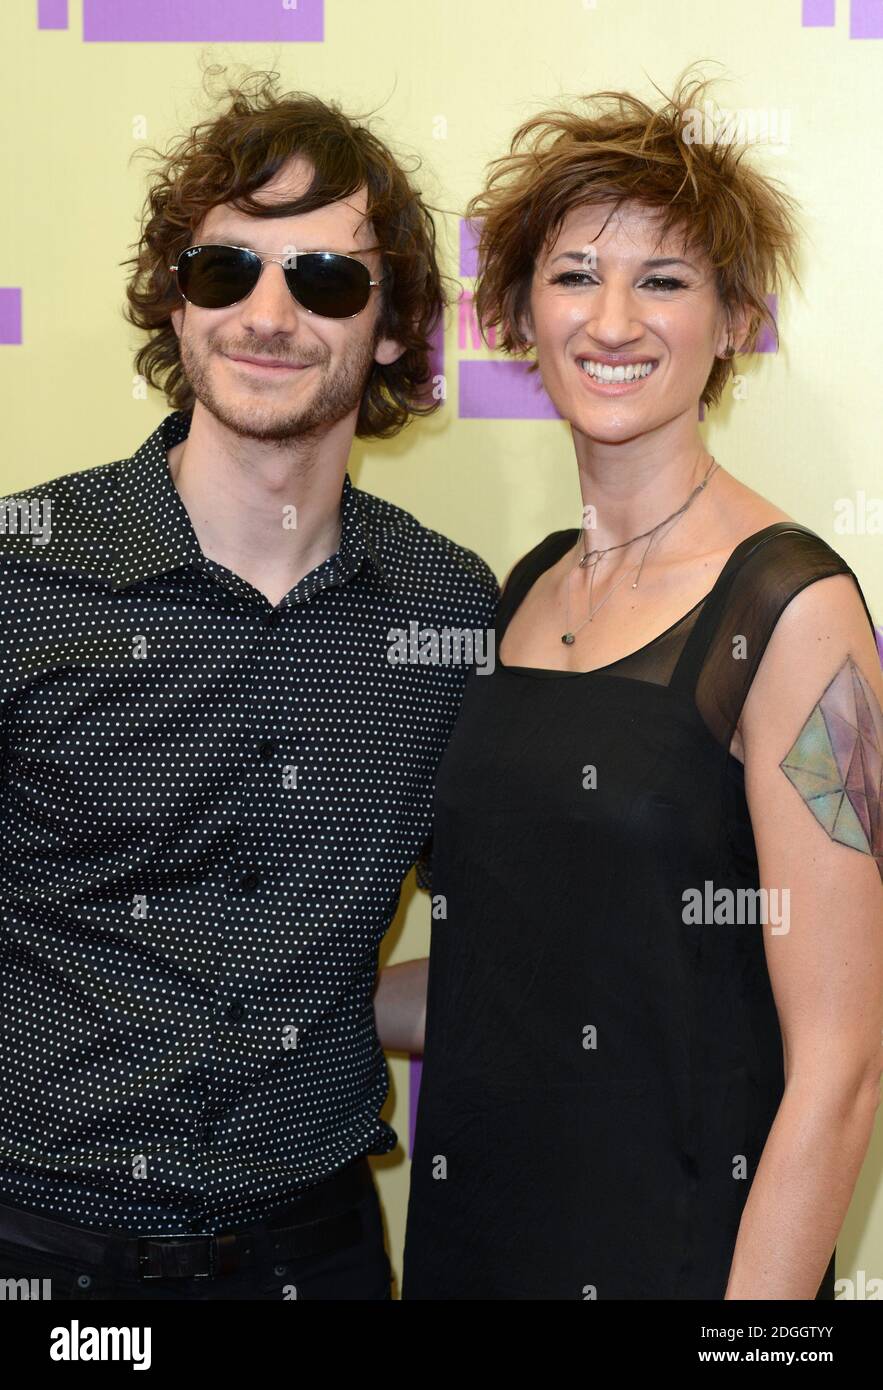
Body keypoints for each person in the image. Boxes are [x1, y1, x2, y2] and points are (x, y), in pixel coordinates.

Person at [0, 71, 497, 1300]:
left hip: (313, 1251)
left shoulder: (449, 615)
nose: (267, 313)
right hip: (39, 1248)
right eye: (226, 270)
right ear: (176, 309)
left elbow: (517, 948)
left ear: (389, 329)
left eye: (324, 278)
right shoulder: (21, 574)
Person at [402, 73, 883, 1300]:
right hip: (476, 1247)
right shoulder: (517, 594)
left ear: (732, 320)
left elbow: (843, 1066)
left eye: (663, 279)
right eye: (573, 275)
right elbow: (519, 958)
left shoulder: (797, 612)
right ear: (516, 316)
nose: (612, 319)